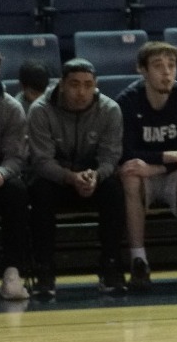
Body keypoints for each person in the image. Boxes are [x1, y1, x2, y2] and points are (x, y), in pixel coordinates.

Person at [116, 42, 177, 290]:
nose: (167, 72)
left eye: (171, 66)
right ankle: (139, 261)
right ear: (143, 70)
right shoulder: (128, 101)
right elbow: (126, 153)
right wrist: (173, 156)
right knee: (129, 175)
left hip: (169, 176)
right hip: (143, 177)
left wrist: (160, 166)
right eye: (158, 66)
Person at [28, 60, 127, 297]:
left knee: (114, 189)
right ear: (61, 85)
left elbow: (110, 156)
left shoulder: (110, 109)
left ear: (95, 86)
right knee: (38, 190)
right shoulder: (40, 110)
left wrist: (96, 175)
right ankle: (44, 270)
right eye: (74, 84)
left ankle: (111, 266)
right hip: (56, 179)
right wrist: (71, 177)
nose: (81, 92)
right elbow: (41, 161)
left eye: (88, 85)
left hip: (93, 179)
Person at [0, 46, 31, 300]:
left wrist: (1, 172)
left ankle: (12, 272)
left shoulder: (11, 107)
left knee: (17, 191)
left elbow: (16, 156)